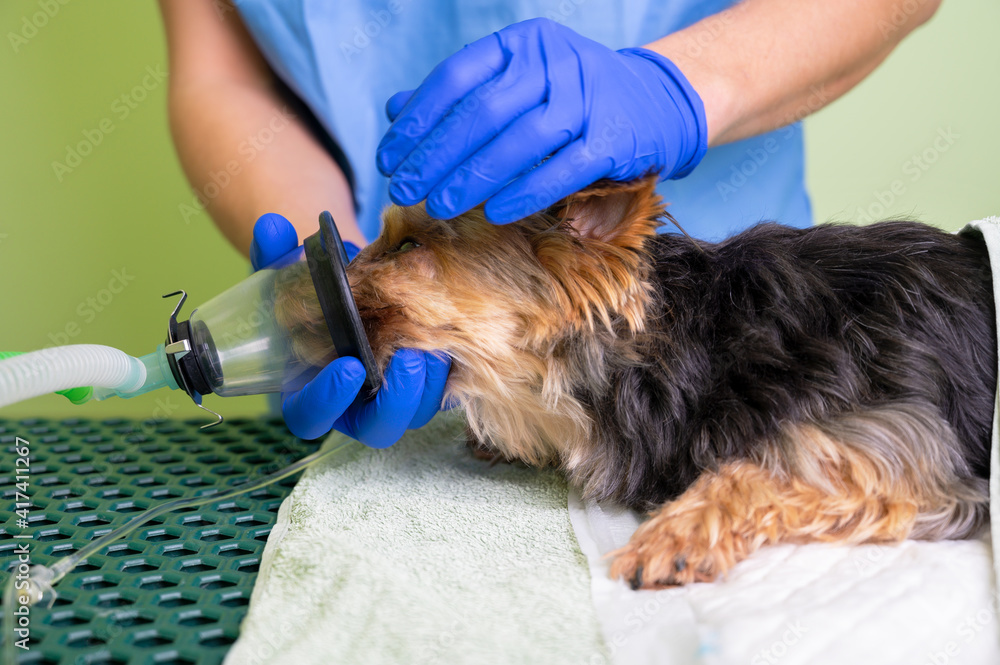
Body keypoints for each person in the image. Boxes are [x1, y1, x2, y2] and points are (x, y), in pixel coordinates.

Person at [158, 0, 941, 445]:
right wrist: (325, 258)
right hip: (419, 375)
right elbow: (219, 73)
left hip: (739, 342)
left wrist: (678, 87)